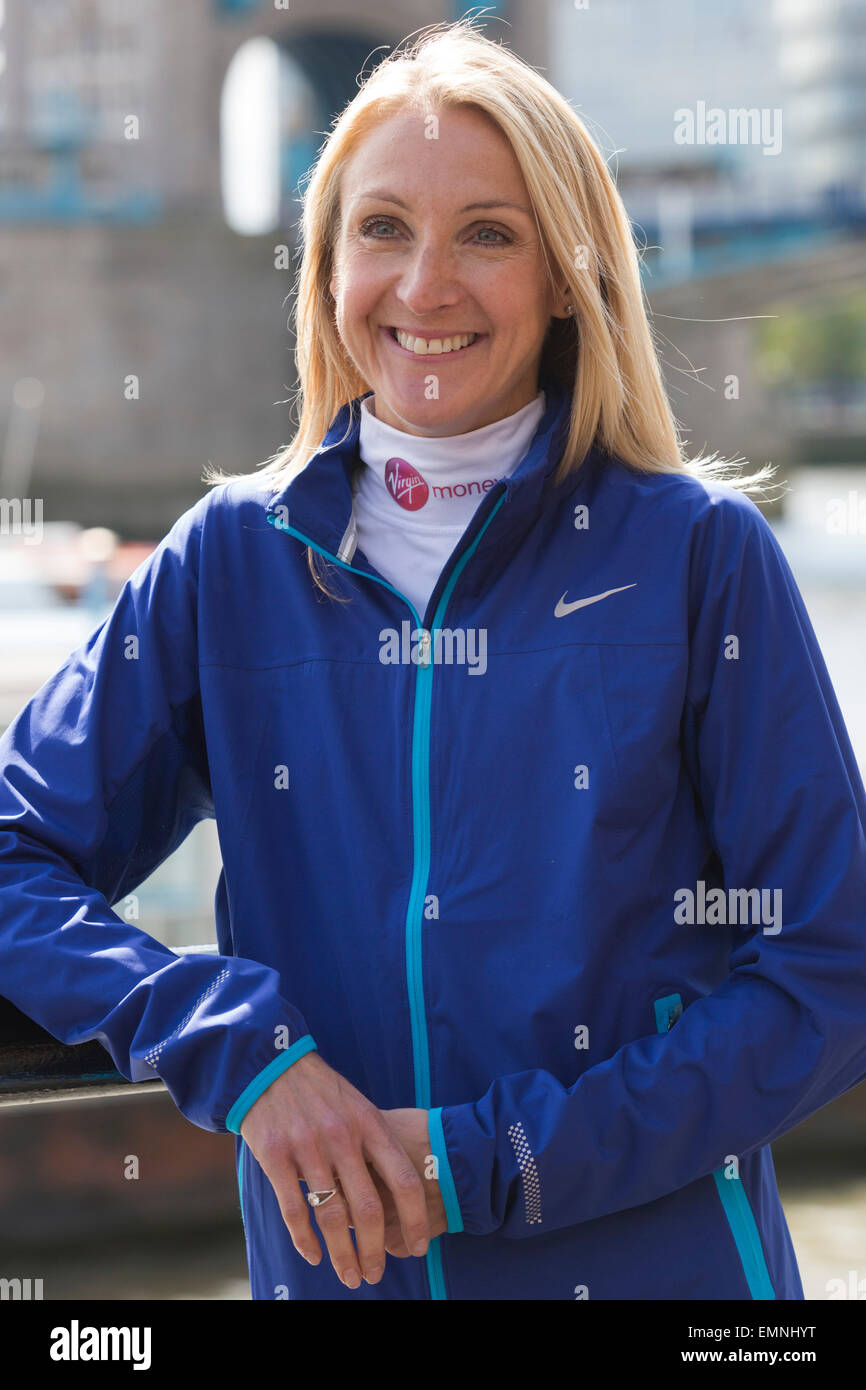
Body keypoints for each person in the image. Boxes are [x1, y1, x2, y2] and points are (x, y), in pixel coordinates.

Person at [2, 19, 865, 1303]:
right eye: (383, 228)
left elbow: (824, 967)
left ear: (569, 273)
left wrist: (494, 1162)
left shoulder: (699, 559)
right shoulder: (229, 564)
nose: (424, 287)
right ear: (328, 264)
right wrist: (234, 1048)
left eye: (489, 233)